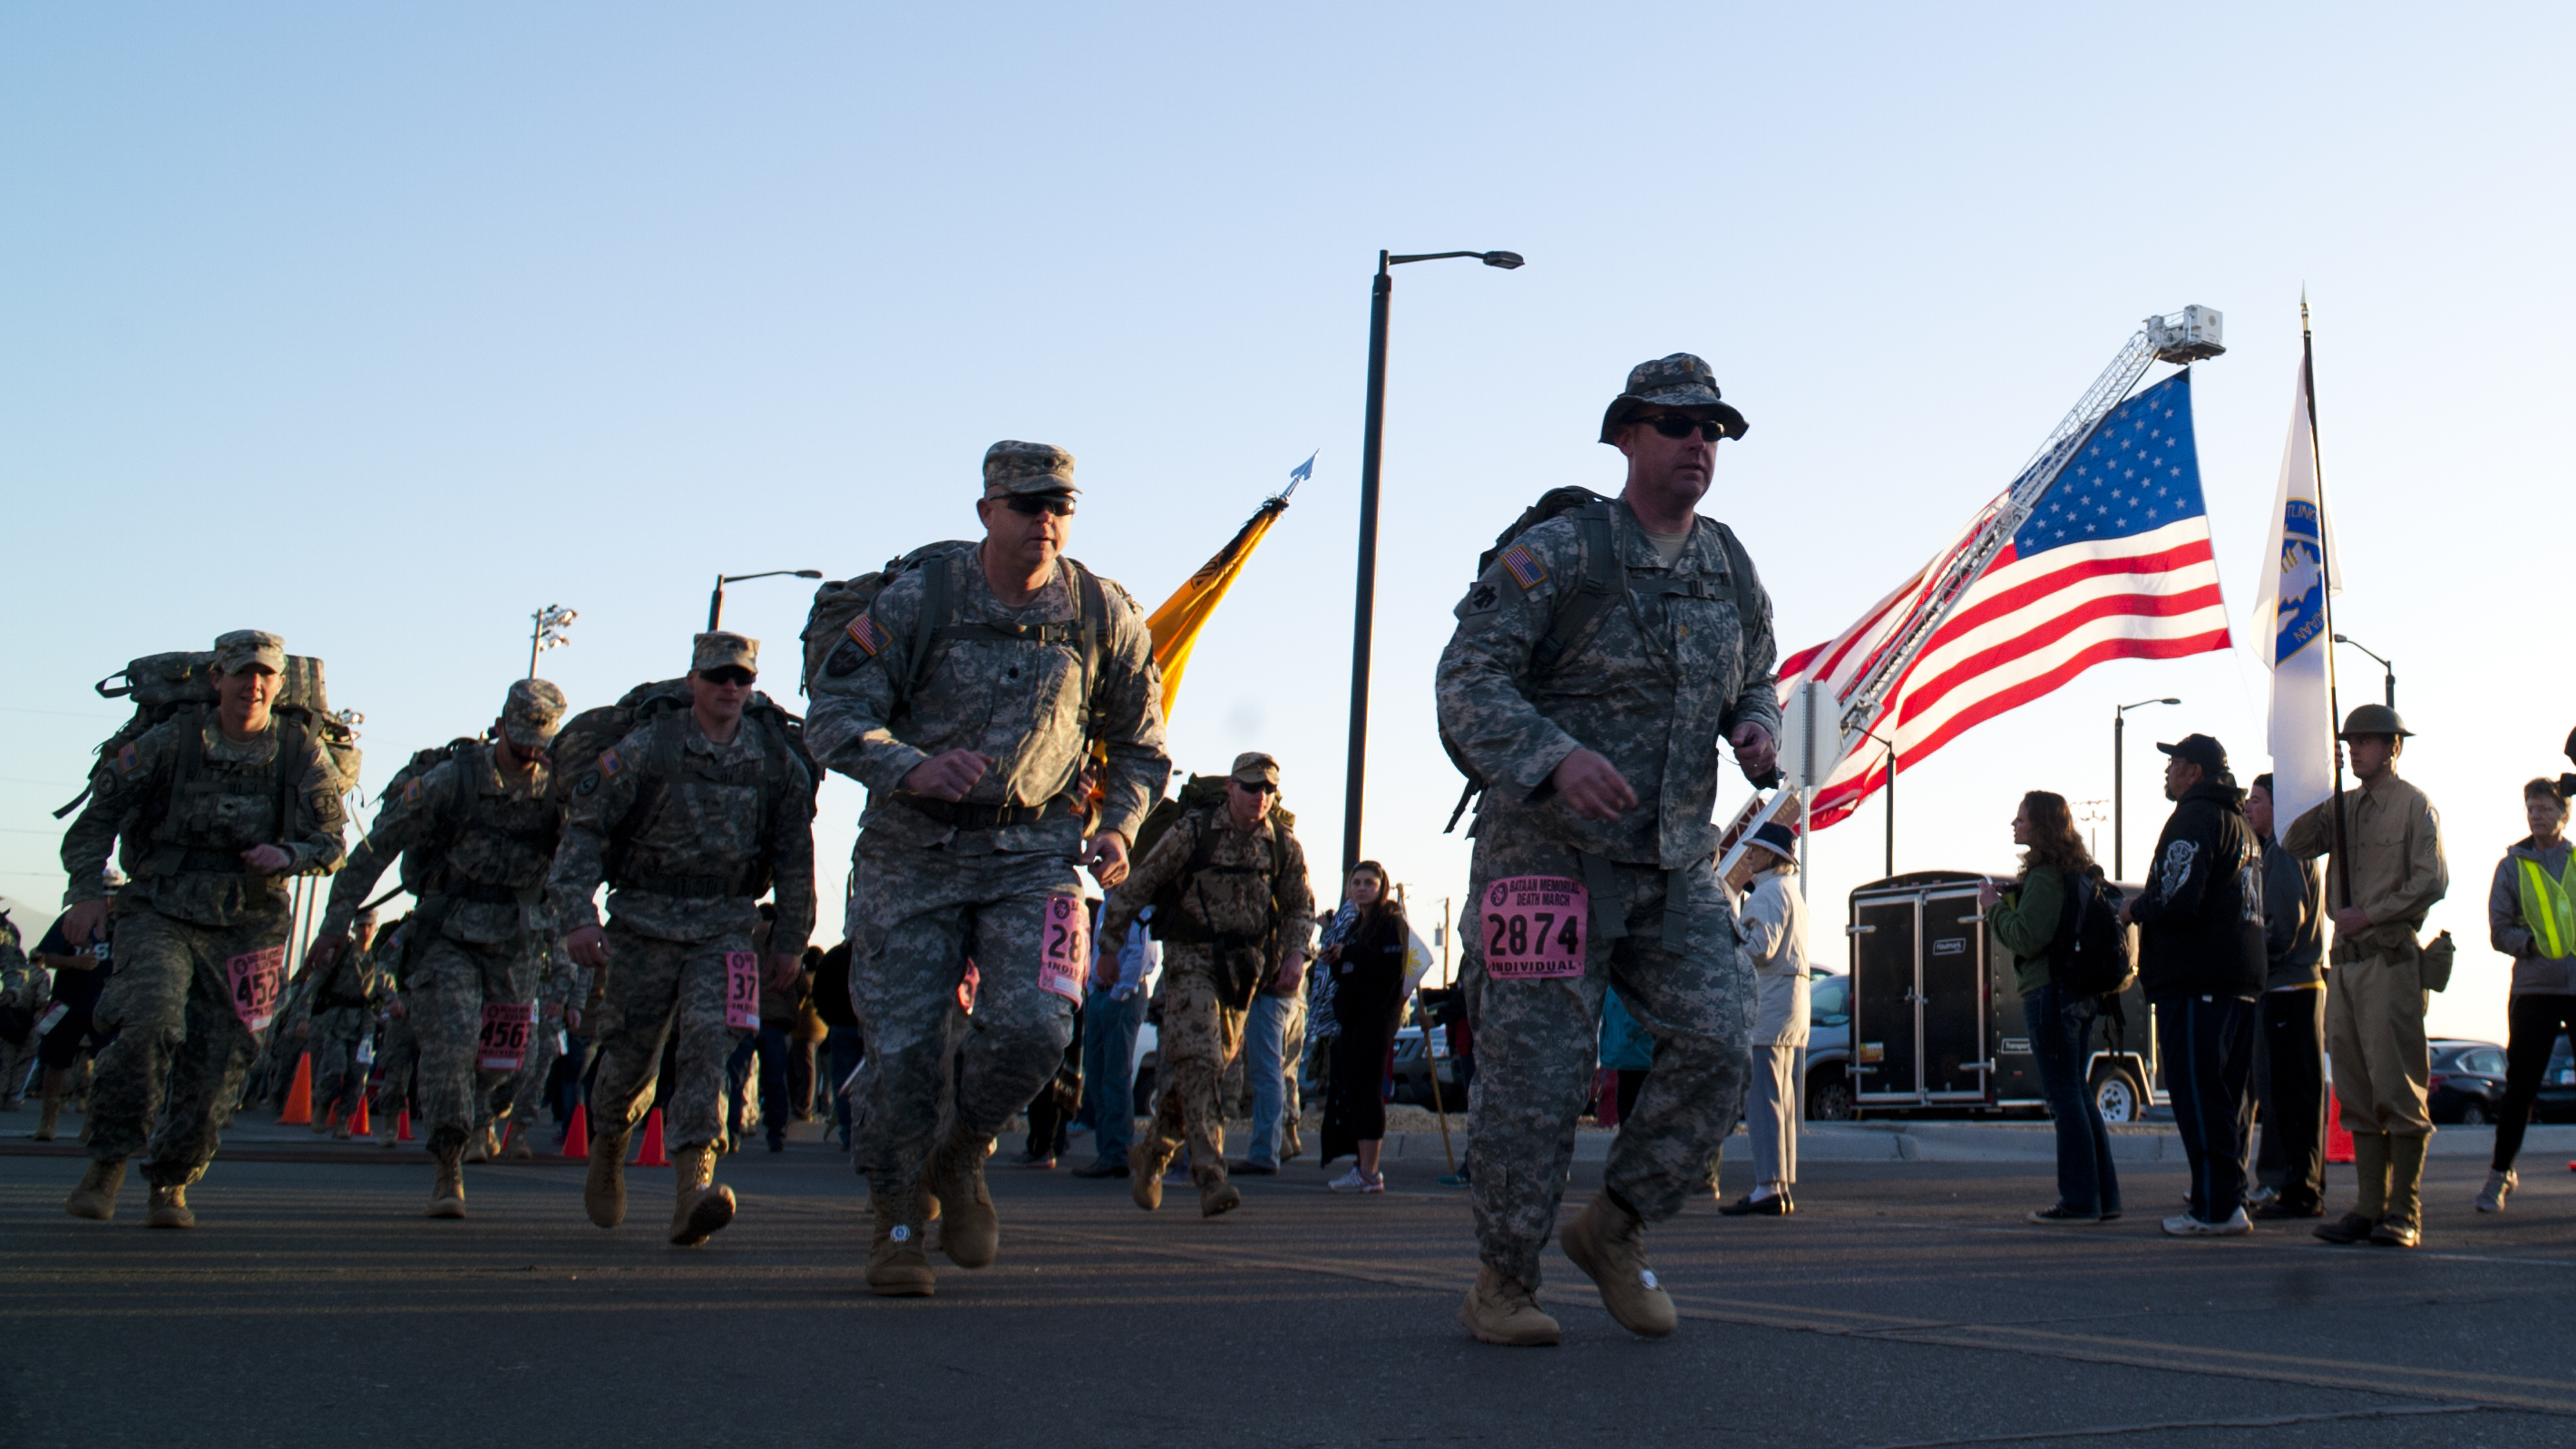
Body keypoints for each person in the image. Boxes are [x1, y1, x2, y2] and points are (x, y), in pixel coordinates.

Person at [1436, 353, 1777, 1347]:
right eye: (1676, 425)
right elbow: (1466, 680)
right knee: (1537, 1081)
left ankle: (1616, 1228)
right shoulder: (1561, 552)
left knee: (1719, 1044)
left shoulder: (1727, 564)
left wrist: (1752, 726)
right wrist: (1553, 758)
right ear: (1626, 434)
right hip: (1542, 860)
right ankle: (1502, 1281)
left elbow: (1753, 676)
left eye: (1711, 428)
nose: (1696, 444)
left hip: (1671, 862)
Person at [804, 440, 1169, 1295]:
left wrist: (1118, 827)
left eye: (1061, 505)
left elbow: (1140, 747)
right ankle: (897, 1226)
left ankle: (961, 1153)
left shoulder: (1100, 612)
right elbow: (833, 715)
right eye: (1028, 503)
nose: (1047, 518)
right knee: (903, 1053)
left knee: (1040, 1025)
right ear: (987, 513)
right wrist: (909, 765)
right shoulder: (917, 599)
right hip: (913, 853)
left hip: (1035, 854)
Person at [56, 629, 348, 1228]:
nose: (255, 685)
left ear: (279, 683)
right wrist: (85, 892)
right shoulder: (169, 742)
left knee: (224, 1060)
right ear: (217, 679)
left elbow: (332, 844)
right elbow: (95, 823)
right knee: (147, 1025)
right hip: (161, 910)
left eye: (266, 675)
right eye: (242, 673)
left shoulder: (300, 753)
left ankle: (171, 1181)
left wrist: (288, 855)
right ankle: (107, 1164)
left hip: (252, 924)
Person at [553, 633, 816, 1248]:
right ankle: (611, 1142)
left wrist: (791, 940)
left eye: (742, 678)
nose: (731, 687)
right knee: (628, 1056)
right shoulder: (646, 749)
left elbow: (794, 856)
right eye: (719, 675)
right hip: (643, 922)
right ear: (693, 681)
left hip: (726, 924)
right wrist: (577, 916)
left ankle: (694, 1188)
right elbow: (585, 833)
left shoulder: (776, 760)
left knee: (708, 1045)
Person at [309, 678, 569, 1217]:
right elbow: (374, 851)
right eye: (519, 738)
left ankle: (481, 1118)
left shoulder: (559, 791)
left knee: (506, 1064)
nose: (528, 751)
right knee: (450, 1045)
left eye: (538, 741)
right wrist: (335, 926)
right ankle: (448, 1166)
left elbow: (581, 862)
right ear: (500, 727)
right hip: (448, 934)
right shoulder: (453, 781)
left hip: (517, 940)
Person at [1101, 752, 1316, 1216]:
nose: (1260, 797)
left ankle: (1156, 1149)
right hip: (1190, 962)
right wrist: (1109, 946)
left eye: (1268, 790)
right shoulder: (1192, 833)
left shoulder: (1281, 843)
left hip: (1244, 972)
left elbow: (1300, 906)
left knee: (1206, 1071)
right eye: (1251, 787)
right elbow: (1141, 883)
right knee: (1199, 1061)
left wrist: (1296, 953)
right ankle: (1210, 1175)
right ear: (1230, 789)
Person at [2281, 705, 2448, 1249]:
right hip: (2346, 966)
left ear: (2393, 748)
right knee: (2354, 1087)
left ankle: (2405, 1211)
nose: (2355, 749)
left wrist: (2371, 914)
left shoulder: (2413, 806)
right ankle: (2368, 1206)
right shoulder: (2344, 805)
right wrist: (2317, 787)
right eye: (2350, 741)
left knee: (2398, 1086)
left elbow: (2431, 881)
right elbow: (2294, 842)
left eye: (2367, 742)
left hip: (2389, 959)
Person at [2118, 734, 2264, 1238]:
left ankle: (2216, 1208)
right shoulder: (2241, 823)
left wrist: (2135, 909)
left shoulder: (2195, 819)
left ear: (2195, 772)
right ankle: (2225, 1199)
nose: (2167, 772)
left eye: (2174, 763)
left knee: (2199, 1095)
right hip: (2240, 981)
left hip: (2199, 979)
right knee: (2226, 1098)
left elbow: (2179, 899)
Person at [1982, 791, 2121, 1225]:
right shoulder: (2070, 872)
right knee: (2078, 1092)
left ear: (2039, 825)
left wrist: (1992, 910)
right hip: (2077, 996)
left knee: (2064, 1096)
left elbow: (2028, 937)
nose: (2014, 824)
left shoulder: (2045, 876)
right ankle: (2103, 1197)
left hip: (2050, 994)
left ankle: (2079, 1200)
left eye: (2021, 818)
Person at [2477, 776, 2576, 1212]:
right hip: (2535, 988)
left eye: (2545, 808)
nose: (2537, 815)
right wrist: (2529, 945)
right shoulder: (2512, 866)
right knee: (2521, 1087)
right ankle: (2500, 1173)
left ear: (2563, 814)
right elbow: (2499, 929)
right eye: (2531, 809)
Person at [2245, 773, 2327, 1219]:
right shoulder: (2272, 853)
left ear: (2280, 806)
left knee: (2288, 1095)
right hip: (2286, 987)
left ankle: (2295, 1188)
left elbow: (2280, 926)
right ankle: (2290, 1184)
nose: (2248, 807)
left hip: (2288, 988)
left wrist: (2250, 958)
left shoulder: (2286, 851)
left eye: (2256, 800)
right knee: (2283, 1093)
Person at [1722, 822, 1808, 1217]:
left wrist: (1731, 927)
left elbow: (1761, 948)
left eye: (1756, 850)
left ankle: (1767, 1186)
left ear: (1773, 855)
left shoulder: (1768, 892)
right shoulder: (1790, 890)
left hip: (1770, 1003)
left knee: (1764, 1099)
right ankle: (1780, 1183)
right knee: (1783, 1099)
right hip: (1790, 1002)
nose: (1750, 856)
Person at [1315, 861, 1408, 1192]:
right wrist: (1338, 959)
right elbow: (1350, 972)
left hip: (1376, 1018)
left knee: (1369, 1093)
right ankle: (1361, 1164)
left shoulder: (1391, 922)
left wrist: (1351, 954)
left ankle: (1370, 1172)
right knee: (1353, 1092)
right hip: (1351, 1017)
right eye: (1357, 882)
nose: (1363, 888)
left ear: (1381, 886)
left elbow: (1391, 967)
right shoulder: (1357, 924)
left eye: (1370, 882)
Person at [26, 870, 122, 1142]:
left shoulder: (126, 923)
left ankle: (92, 1123)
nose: (108, 897)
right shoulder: (73, 919)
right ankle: (48, 1122)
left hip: (108, 1005)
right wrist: (73, 963)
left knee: (106, 1065)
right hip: (68, 1002)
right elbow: (41, 956)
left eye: (112, 891)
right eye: (103, 891)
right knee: (55, 1062)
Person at [1071, 893, 1156, 1178]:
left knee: (1115, 1076)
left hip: (1121, 995)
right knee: (1096, 1076)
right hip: (1101, 993)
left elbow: (1143, 950)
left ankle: (1117, 1153)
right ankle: (1107, 1152)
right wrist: (1095, 990)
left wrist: (1120, 991)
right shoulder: (1108, 903)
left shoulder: (1134, 899)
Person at [1234, 914, 1318, 1176]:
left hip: (1269, 988)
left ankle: (1265, 1152)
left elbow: (1301, 919)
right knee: (1274, 1072)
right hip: (1270, 987)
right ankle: (1278, 1143)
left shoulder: (1278, 884)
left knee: (1267, 1072)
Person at [288, 907, 382, 1138]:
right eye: (361, 925)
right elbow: (312, 987)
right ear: (353, 928)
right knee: (334, 1068)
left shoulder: (380, 957)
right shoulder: (339, 955)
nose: (365, 930)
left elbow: (389, 986)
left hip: (365, 1025)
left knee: (357, 1075)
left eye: (370, 926)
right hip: (336, 1023)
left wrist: (394, 1005)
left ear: (376, 928)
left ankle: (343, 1119)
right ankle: (322, 1106)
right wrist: (302, 1018)